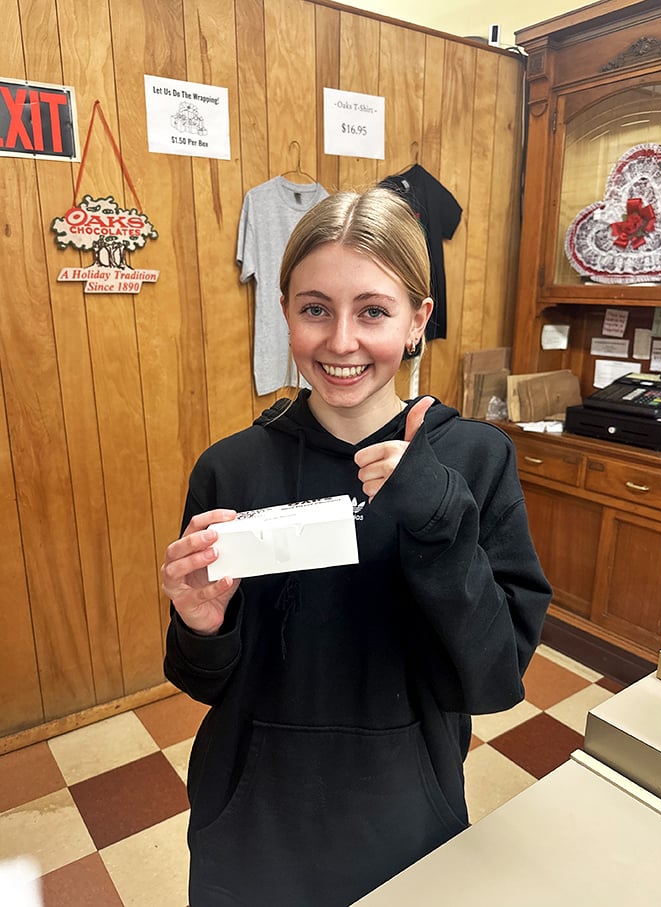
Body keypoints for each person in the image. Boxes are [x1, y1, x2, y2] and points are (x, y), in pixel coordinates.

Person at [161, 186, 552, 907]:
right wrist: (200, 624)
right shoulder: (231, 468)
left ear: (416, 321)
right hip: (251, 820)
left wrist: (437, 521)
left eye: (372, 310)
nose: (341, 341)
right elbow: (205, 680)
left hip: (406, 813)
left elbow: (493, 678)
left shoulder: (475, 460)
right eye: (316, 309)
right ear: (286, 314)